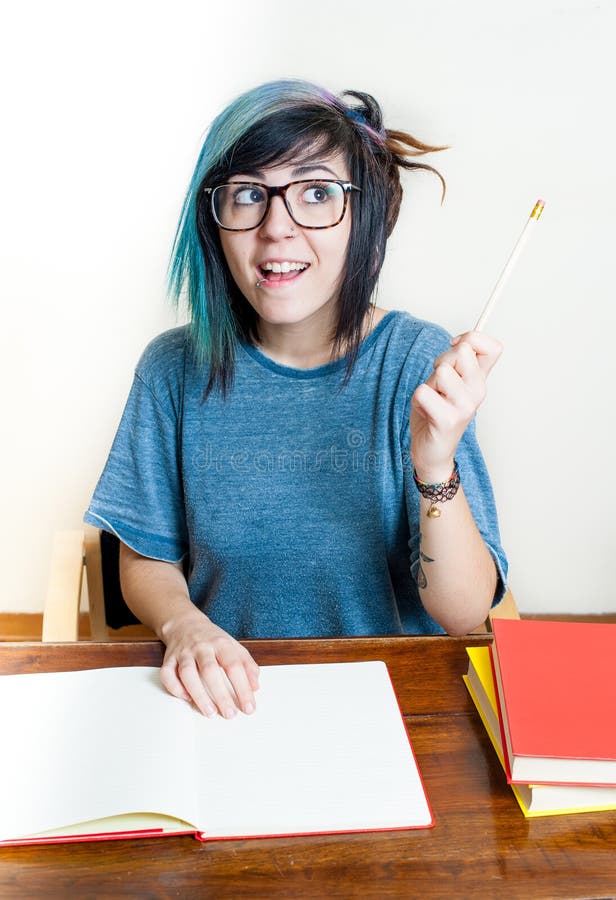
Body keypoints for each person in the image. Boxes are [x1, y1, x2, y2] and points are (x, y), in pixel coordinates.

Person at [84, 79, 507, 720]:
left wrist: (434, 468)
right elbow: (146, 558)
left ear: (362, 217)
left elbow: (466, 614)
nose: (277, 228)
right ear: (214, 223)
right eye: (249, 194)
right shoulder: (172, 369)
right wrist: (182, 626)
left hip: (396, 713)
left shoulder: (419, 363)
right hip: (229, 709)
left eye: (316, 193)